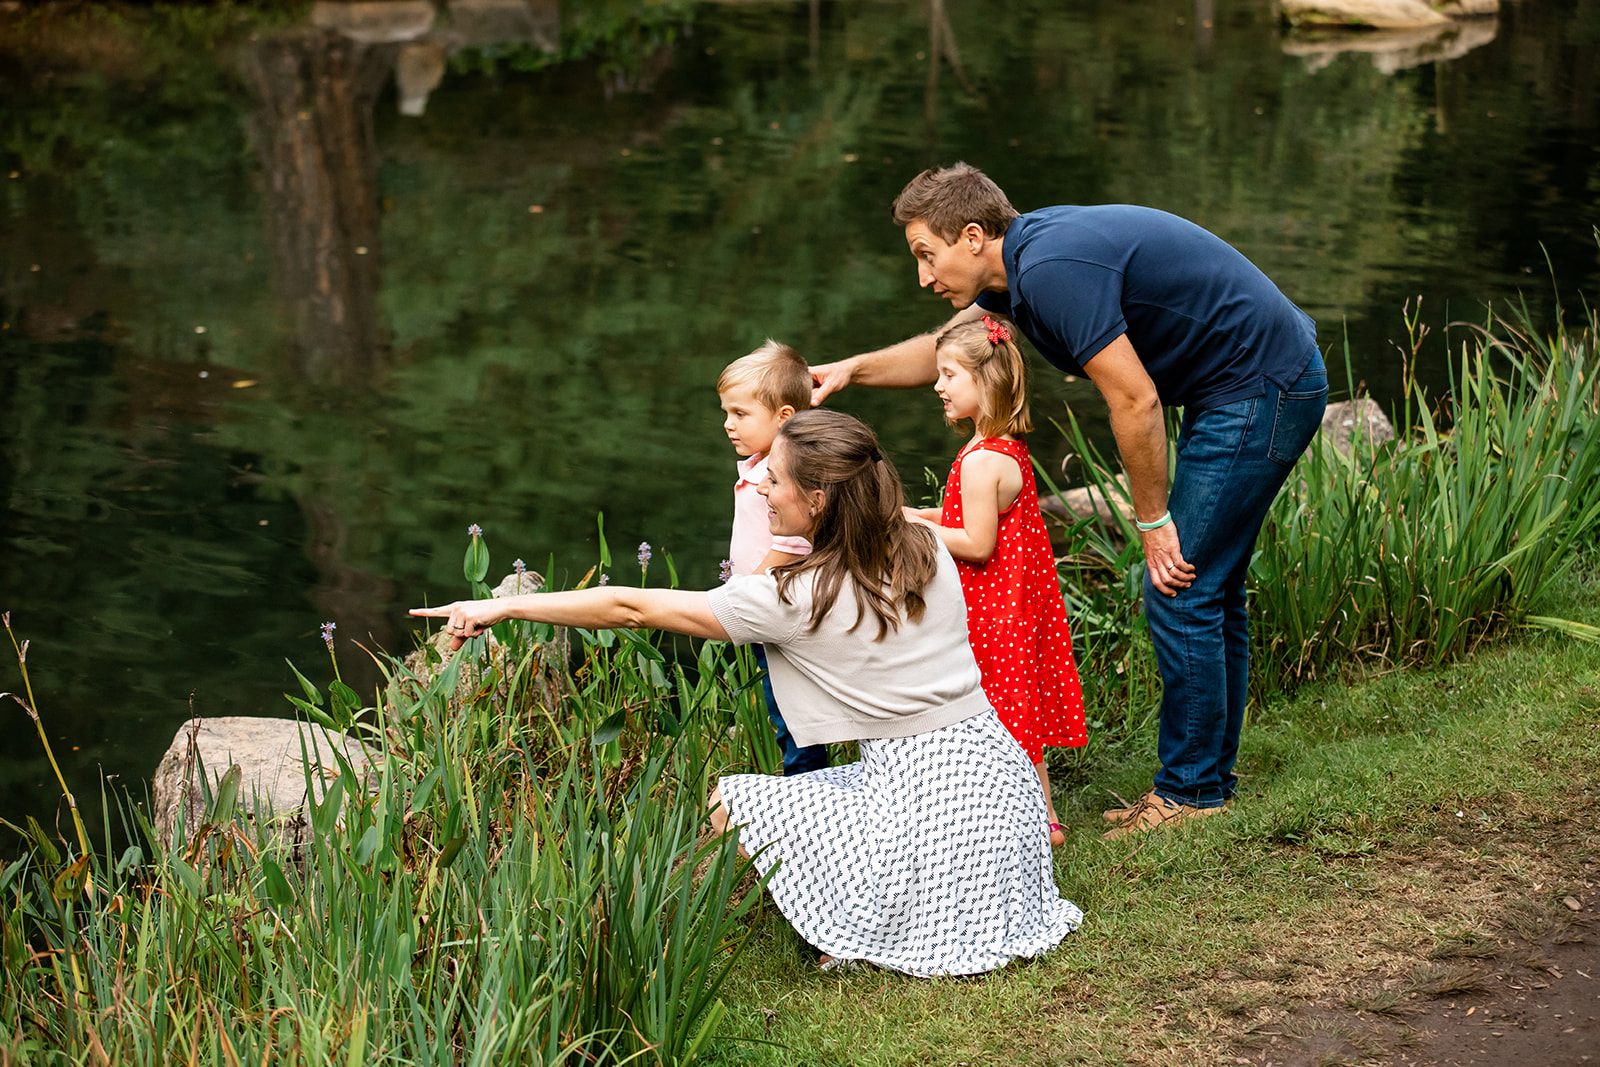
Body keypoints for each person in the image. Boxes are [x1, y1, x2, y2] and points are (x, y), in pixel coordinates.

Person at [412, 409, 1084, 976]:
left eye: (775, 474)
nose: (759, 481)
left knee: (733, 801)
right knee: (828, 792)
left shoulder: (795, 597)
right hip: (1002, 794)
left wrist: (506, 609)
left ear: (817, 499)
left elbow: (630, 608)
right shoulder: (924, 545)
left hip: (925, 812)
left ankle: (662, 956)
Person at [810, 162, 1328, 839]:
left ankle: (1193, 793)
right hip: (1251, 380)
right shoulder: (1020, 272)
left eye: (925, 255)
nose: (923, 276)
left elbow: (1135, 399)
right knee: (1208, 585)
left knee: (1179, 584)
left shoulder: (1051, 271)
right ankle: (1207, 781)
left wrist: (1152, 520)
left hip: (1260, 386)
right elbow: (948, 352)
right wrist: (852, 370)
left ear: (971, 236)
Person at [903, 312, 1086, 846]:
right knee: (1016, 715)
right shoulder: (1003, 448)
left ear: (985, 381)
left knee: (1003, 717)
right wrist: (920, 516)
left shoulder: (982, 460)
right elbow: (971, 522)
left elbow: (978, 544)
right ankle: (1042, 818)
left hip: (990, 611)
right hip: (1010, 604)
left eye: (948, 375)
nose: (937, 386)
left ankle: (1031, 823)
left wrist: (920, 534)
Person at [718, 340, 827, 775]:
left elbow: (796, 544)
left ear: (785, 418)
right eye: (726, 412)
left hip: (780, 606)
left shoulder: (784, 476)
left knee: (793, 714)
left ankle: (805, 788)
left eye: (741, 414)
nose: (728, 425)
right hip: (765, 608)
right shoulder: (760, 464)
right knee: (782, 706)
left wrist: (749, 587)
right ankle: (805, 784)